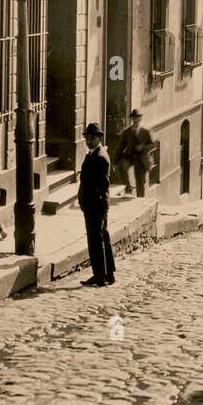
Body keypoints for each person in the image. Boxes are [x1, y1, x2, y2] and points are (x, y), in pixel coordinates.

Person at [79, 122, 115, 288]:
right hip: (95, 204)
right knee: (102, 237)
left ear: (99, 138)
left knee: (96, 240)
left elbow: (103, 184)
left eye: (92, 138)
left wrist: (92, 201)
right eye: (87, 138)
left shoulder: (100, 156)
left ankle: (99, 276)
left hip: (96, 205)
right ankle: (108, 274)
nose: (89, 141)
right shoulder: (93, 154)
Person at [115, 108, 154, 197]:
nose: (135, 120)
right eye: (134, 118)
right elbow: (120, 146)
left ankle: (140, 198)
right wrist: (115, 160)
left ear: (140, 119)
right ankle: (128, 188)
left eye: (137, 117)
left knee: (140, 179)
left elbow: (152, 145)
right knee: (121, 167)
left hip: (142, 158)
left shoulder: (146, 131)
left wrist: (142, 147)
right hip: (130, 156)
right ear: (132, 119)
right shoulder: (127, 132)